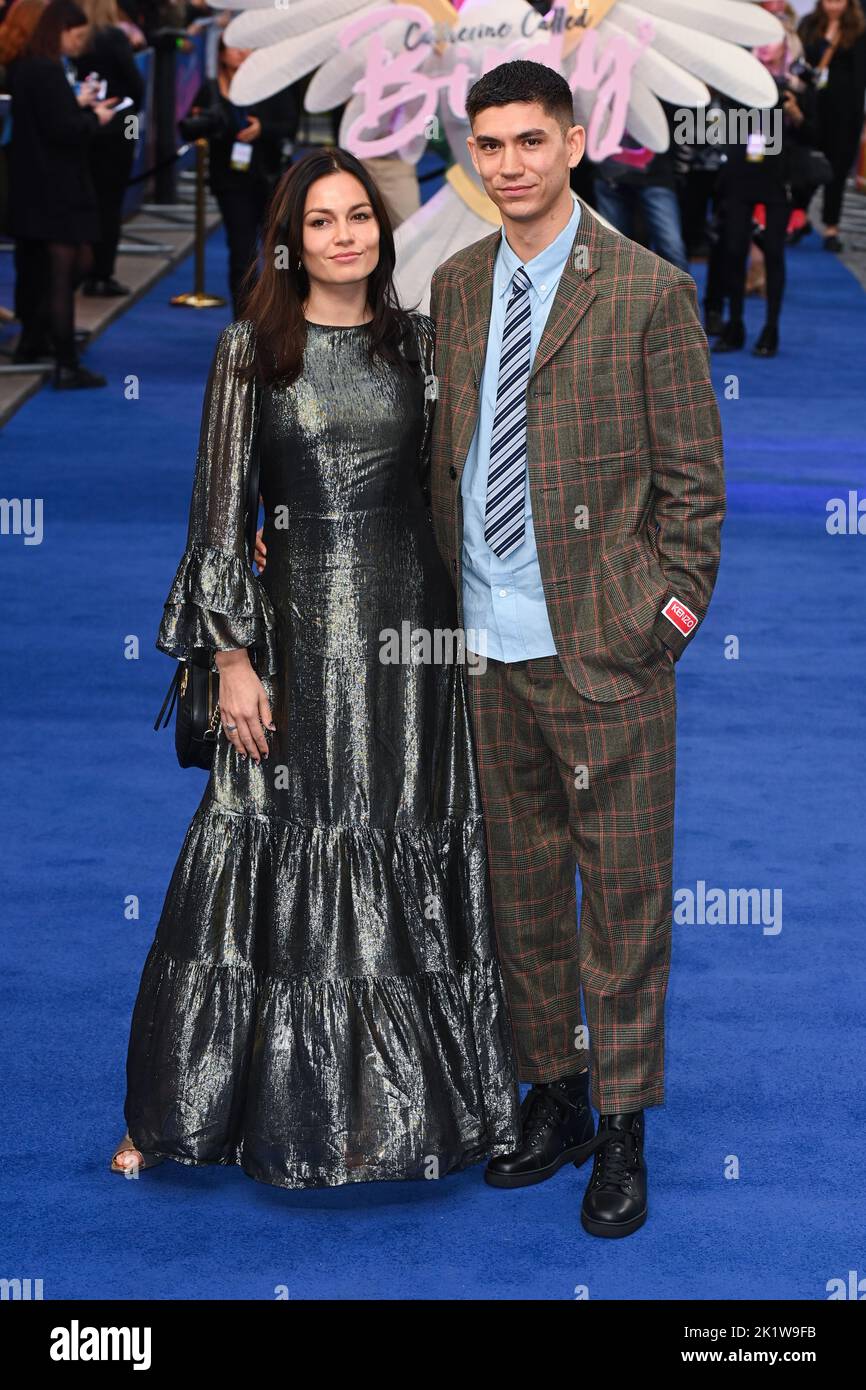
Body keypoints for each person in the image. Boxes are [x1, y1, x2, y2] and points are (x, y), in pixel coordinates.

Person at [110, 148, 522, 1188]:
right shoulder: (250, 352)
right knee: (255, 847)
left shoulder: (421, 344)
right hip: (293, 647)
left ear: (382, 233)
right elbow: (218, 518)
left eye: (361, 219)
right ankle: (187, 1114)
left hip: (412, 645)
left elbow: (466, 485)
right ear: (288, 240)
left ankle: (426, 1107)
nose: (346, 236)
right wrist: (234, 660)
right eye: (323, 221)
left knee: (410, 839)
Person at [427, 60, 726, 1238]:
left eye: (528, 142)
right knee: (521, 893)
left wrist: (660, 623)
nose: (507, 165)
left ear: (573, 140)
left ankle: (624, 1125)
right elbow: (440, 454)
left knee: (624, 903)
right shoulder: (454, 285)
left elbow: (693, 490)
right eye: (489, 145)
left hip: (605, 654)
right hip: (485, 649)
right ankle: (549, 1090)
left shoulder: (648, 292)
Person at [6, 0, 117, 386]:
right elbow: (64, 130)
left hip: (34, 186)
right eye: (77, 36)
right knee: (63, 270)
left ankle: (36, 340)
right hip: (56, 188)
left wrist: (78, 106)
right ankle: (65, 361)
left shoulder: (27, 67)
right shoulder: (45, 70)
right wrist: (95, 118)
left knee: (52, 268)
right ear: (59, 31)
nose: (80, 44)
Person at [712, 30, 818, 357]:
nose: (765, 47)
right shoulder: (737, 81)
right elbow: (722, 126)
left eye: (772, 41)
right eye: (759, 41)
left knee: (773, 251)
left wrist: (795, 112)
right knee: (733, 249)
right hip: (742, 174)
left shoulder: (797, 83)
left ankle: (771, 328)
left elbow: (814, 133)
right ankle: (735, 324)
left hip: (778, 177)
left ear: (785, 46)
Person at [184, 40, 299, 318]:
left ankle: (284, 316)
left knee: (281, 252)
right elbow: (190, 127)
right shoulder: (211, 90)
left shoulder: (271, 84)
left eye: (247, 46)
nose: (242, 52)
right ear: (221, 54)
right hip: (231, 182)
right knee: (241, 254)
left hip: (271, 178)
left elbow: (290, 125)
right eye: (234, 47)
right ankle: (244, 324)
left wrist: (263, 129)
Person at [74, 0, 144, 297]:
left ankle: (78, 269)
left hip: (80, 129)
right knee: (109, 203)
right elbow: (136, 88)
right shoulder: (112, 37)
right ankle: (101, 273)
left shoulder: (71, 39)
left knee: (82, 201)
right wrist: (129, 124)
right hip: (115, 131)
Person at [798, 0, 866, 252]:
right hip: (813, 107)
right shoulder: (809, 25)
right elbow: (802, 61)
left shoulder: (857, 29)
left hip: (845, 111)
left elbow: (859, 77)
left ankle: (831, 227)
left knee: (836, 171)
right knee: (806, 163)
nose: (833, 5)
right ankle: (799, 216)